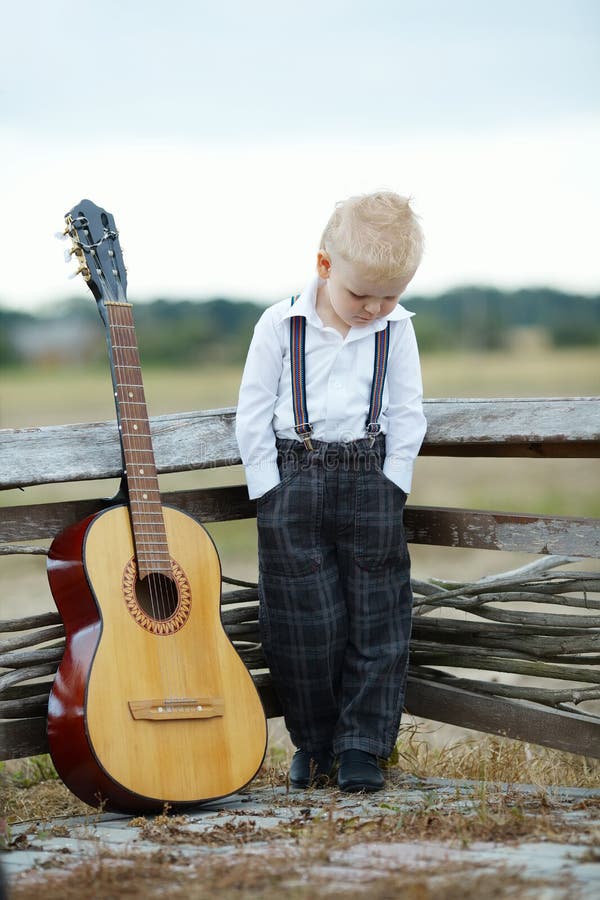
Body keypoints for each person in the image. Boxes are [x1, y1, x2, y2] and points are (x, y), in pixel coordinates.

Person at [235, 191, 427, 792]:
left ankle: (363, 747)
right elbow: (252, 414)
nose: (374, 308)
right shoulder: (279, 325)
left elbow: (408, 412)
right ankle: (315, 746)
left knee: (379, 620)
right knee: (301, 625)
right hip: (295, 483)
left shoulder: (396, 332)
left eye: (389, 296)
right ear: (324, 266)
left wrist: (394, 482)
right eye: (360, 294)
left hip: (372, 485)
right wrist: (269, 492)